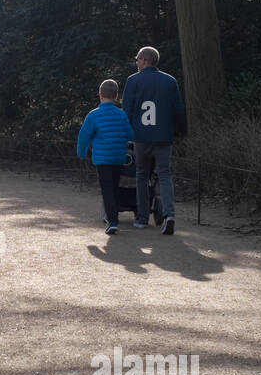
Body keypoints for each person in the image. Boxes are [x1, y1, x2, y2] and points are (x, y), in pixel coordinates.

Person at [121, 46, 186, 235]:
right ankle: (169, 215)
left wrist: (127, 134)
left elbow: (127, 110)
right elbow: (178, 111)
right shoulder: (170, 81)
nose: (136, 63)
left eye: (137, 59)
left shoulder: (133, 81)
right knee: (164, 175)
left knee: (141, 174)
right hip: (164, 135)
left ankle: (142, 218)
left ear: (144, 60)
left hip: (141, 136)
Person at [77, 79, 134, 234]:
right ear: (116, 96)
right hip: (118, 157)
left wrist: (81, 153)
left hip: (102, 158)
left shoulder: (94, 115)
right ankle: (114, 216)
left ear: (100, 95)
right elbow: (130, 134)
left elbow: (84, 137)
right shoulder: (121, 114)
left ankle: (113, 220)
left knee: (106, 189)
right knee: (114, 187)